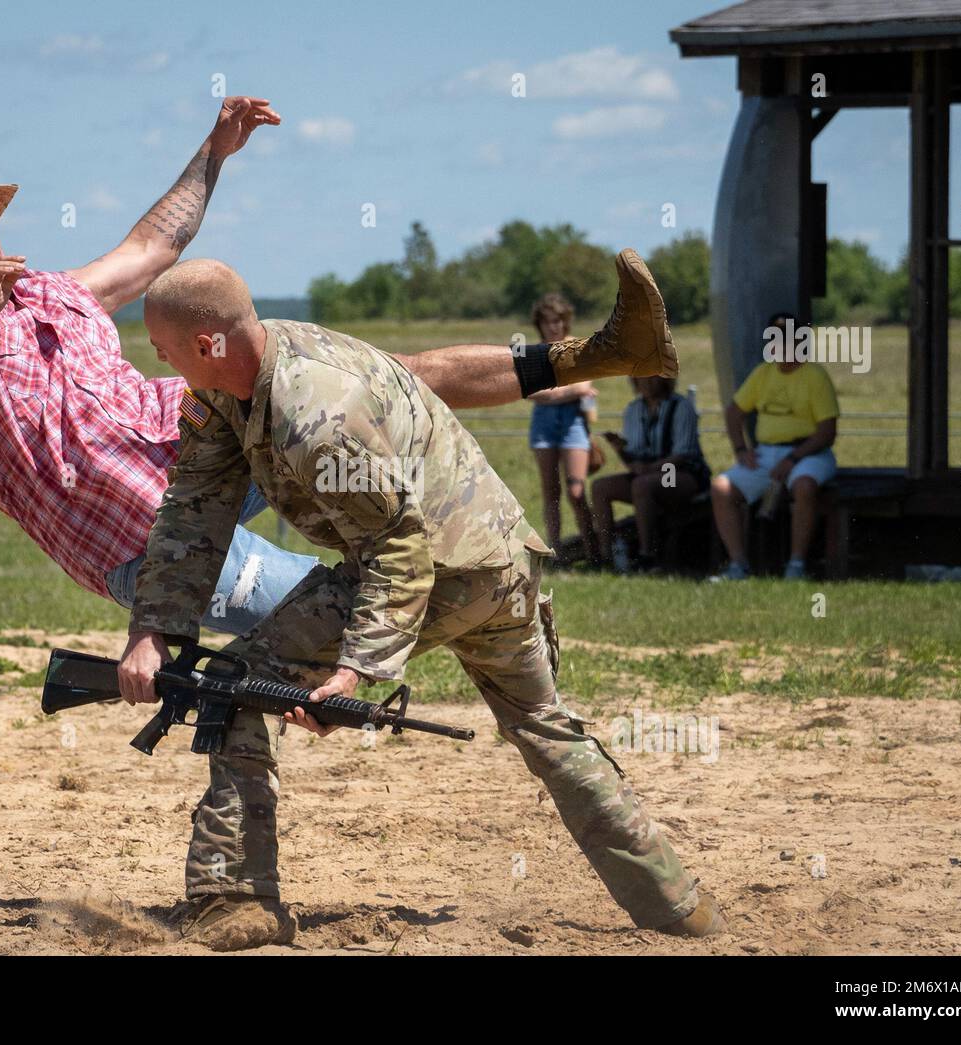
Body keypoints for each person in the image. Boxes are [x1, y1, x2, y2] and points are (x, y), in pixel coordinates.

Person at [0, 95, 683, 631]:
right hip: (149, 531)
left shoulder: (56, 293)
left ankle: (595, 354)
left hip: (215, 435)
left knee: (374, 374)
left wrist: (213, 152)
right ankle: (482, 621)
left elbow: (153, 245)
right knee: (325, 615)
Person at [116, 258, 724, 951]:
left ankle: (234, 896)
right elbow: (194, 509)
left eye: (161, 345)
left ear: (205, 345)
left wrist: (349, 673)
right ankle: (679, 907)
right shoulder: (239, 376)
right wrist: (152, 629)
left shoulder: (315, 413)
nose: (155, 357)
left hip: (438, 566)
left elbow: (398, 550)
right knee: (546, 729)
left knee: (242, 682)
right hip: (499, 559)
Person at [710, 312, 840, 580]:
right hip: (766, 452)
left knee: (804, 486)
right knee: (720, 488)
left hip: (809, 453)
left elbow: (827, 432)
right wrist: (741, 450)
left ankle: (796, 565)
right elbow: (734, 412)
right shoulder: (763, 373)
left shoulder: (815, 376)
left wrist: (793, 459)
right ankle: (738, 565)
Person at [592, 376, 710, 573]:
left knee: (644, 485)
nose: (645, 383)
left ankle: (648, 555)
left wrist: (648, 469)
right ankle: (605, 555)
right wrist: (620, 449)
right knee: (600, 486)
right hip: (646, 472)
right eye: (641, 378)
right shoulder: (633, 409)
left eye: (651, 378)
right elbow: (634, 456)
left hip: (677, 471)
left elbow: (682, 454)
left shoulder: (681, 407)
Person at [525, 293, 600, 568]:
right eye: (547, 322)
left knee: (577, 491)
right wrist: (568, 391)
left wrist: (552, 392)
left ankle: (594, 551)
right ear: (540, 324)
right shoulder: (535, 351)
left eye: (557, 321)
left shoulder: (579, 347)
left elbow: (585, 387)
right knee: (550, 491)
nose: (553, 327)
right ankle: (555, 553)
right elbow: (530, 391)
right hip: (544, 426)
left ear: (565, 321)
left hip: (573, 426)